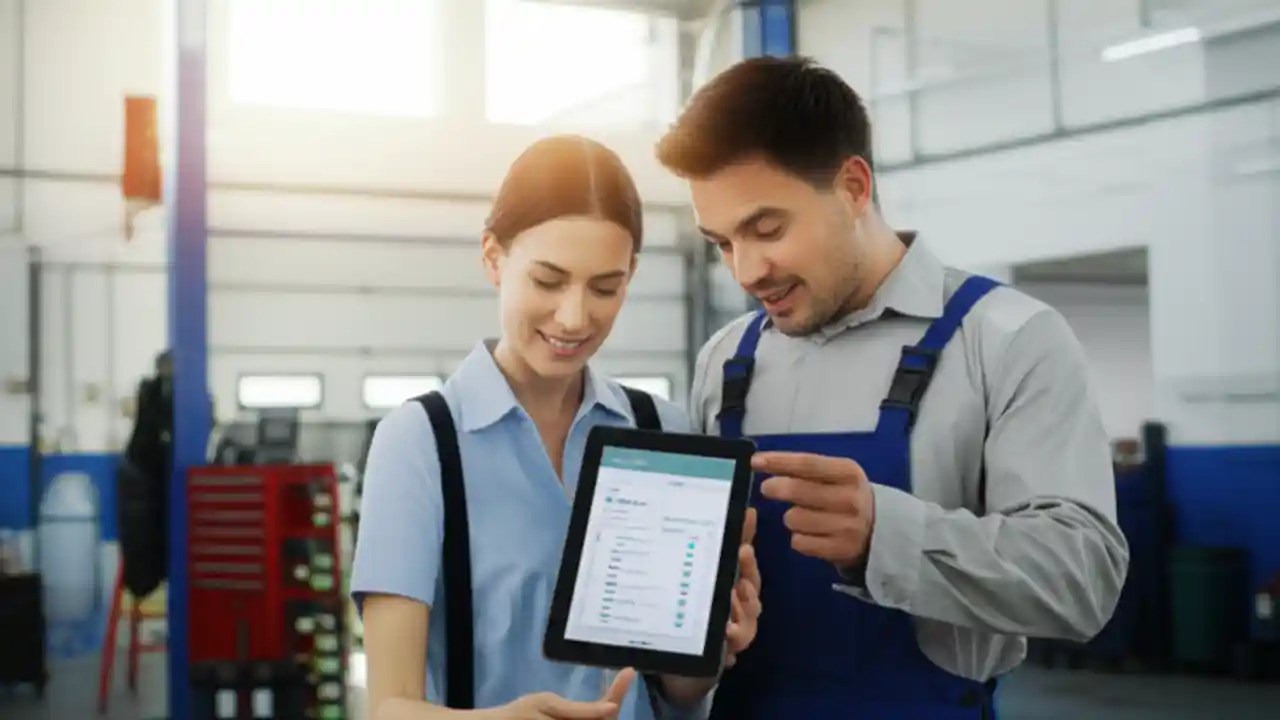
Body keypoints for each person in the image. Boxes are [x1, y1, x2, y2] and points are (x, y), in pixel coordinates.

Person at [654, 56, 1130, 718]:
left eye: (767, 229)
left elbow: (1084, 579)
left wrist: (888, 535)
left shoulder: (1007, 338)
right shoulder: (725, 359)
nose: (746, 270)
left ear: (853, 187)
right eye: (721, 243)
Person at [350, 135, 762, 720]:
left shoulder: (661, 429)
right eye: (548, 281)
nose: (574, 317)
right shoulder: (421, 443)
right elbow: (388, 708)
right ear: (493, 258)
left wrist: (707, 650)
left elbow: (675, 692)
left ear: (632, 275)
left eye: (605, 287)